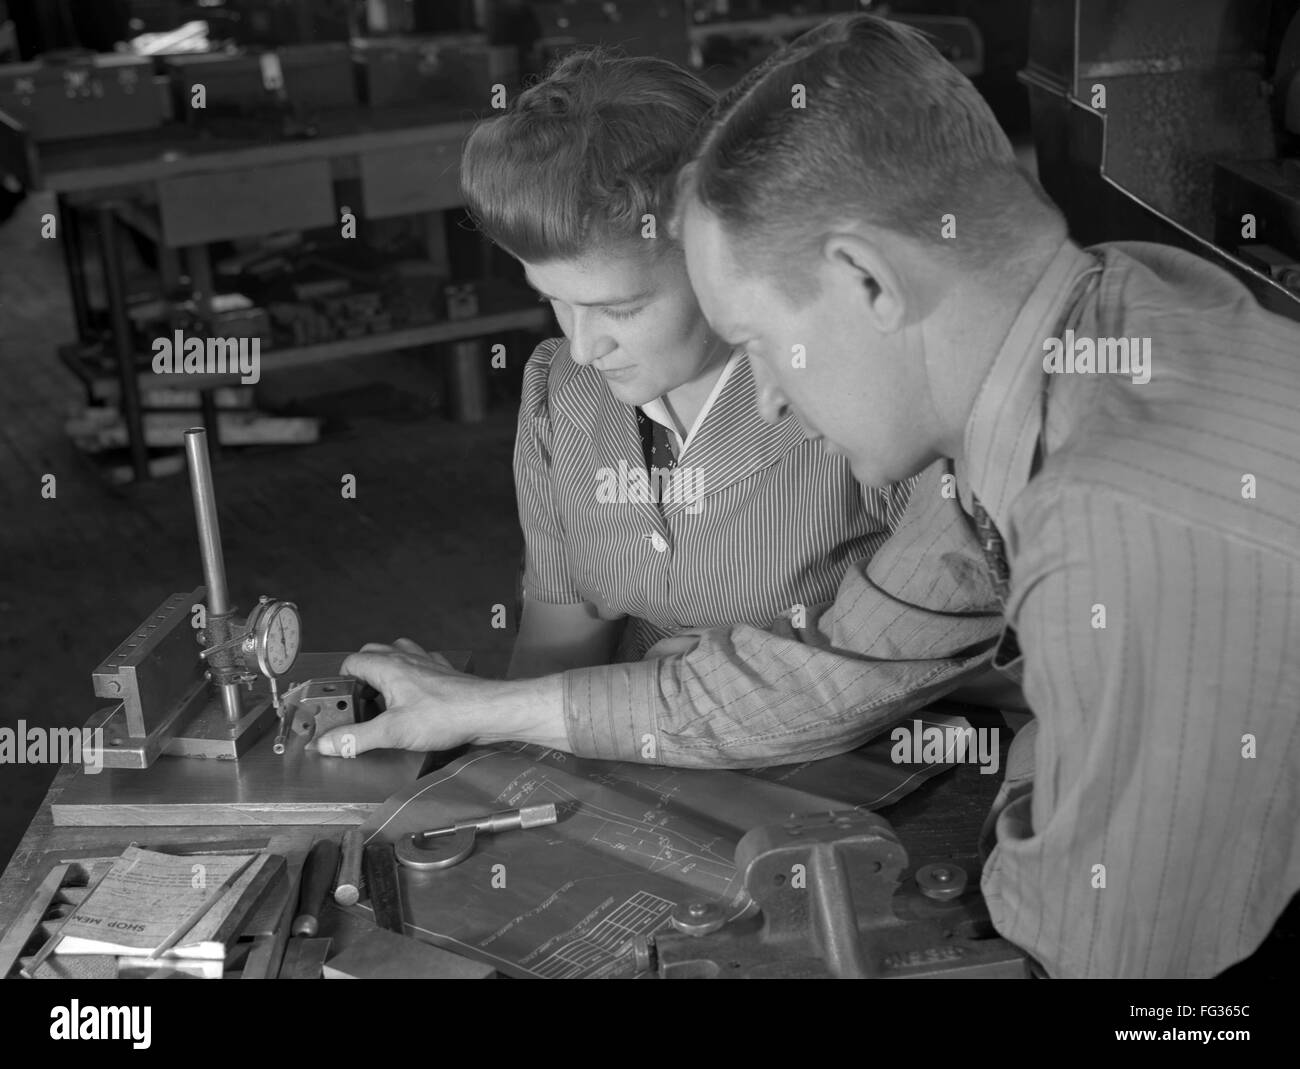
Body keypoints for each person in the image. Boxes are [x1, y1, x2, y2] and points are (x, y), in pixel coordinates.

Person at [316, 14, 1300, 977]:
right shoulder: (1102, 329)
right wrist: (490, 708)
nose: (770, 397)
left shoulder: (1120, 518)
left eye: (756, 342)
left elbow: (1116, 969)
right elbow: (826, 675)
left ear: (867, 279)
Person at [463, 50, 916, 680]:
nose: (583, 347)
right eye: (555, 303)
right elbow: (555, 656)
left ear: (718, 251)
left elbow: (981, 650)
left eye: (620, 309)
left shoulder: (855, 399)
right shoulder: (560, 395)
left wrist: (782, 655)